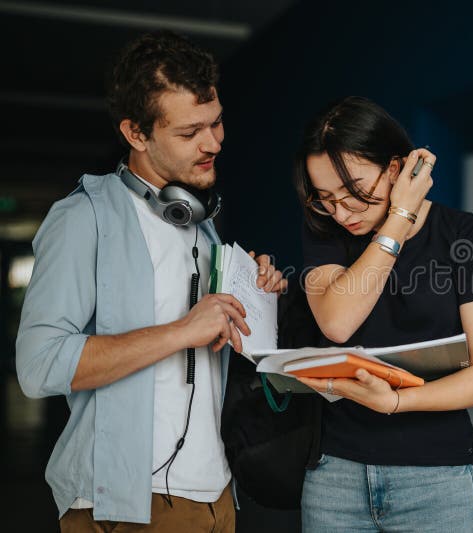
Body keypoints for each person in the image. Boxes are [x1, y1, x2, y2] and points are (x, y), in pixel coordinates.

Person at [15, 30, 284, 531]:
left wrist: (253, 298)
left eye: (217, 122)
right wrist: (183, 330)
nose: (213, 143)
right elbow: (38, 365)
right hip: (129, 502)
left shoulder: (198, 224)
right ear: (136, 134)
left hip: (217, 496)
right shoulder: (82, 219)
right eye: (189, 133)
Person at [293, 96, 473, 532]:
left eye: (354, 190)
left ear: (395, 169)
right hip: (336, 474)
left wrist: (396, 402)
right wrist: (399, 218)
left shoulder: (463, 234)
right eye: (325, 198)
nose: (341, 211)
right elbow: (338, 323)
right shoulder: (326, 233)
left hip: (436, 477)